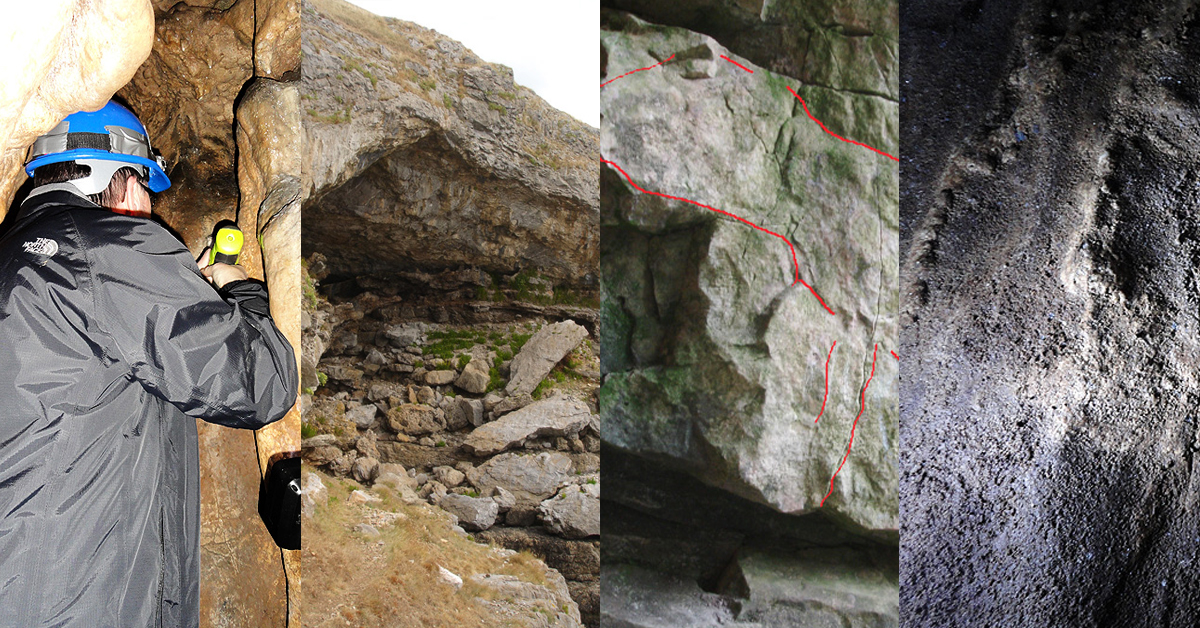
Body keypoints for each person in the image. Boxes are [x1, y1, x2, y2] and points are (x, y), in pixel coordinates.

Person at [0, 100, 298, 627]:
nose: (147, 208)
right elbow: (264, 383)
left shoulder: (14, 257)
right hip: (78, 600)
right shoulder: (107, 247)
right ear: (117, 173)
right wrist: (237, 288)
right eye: (144, 185)